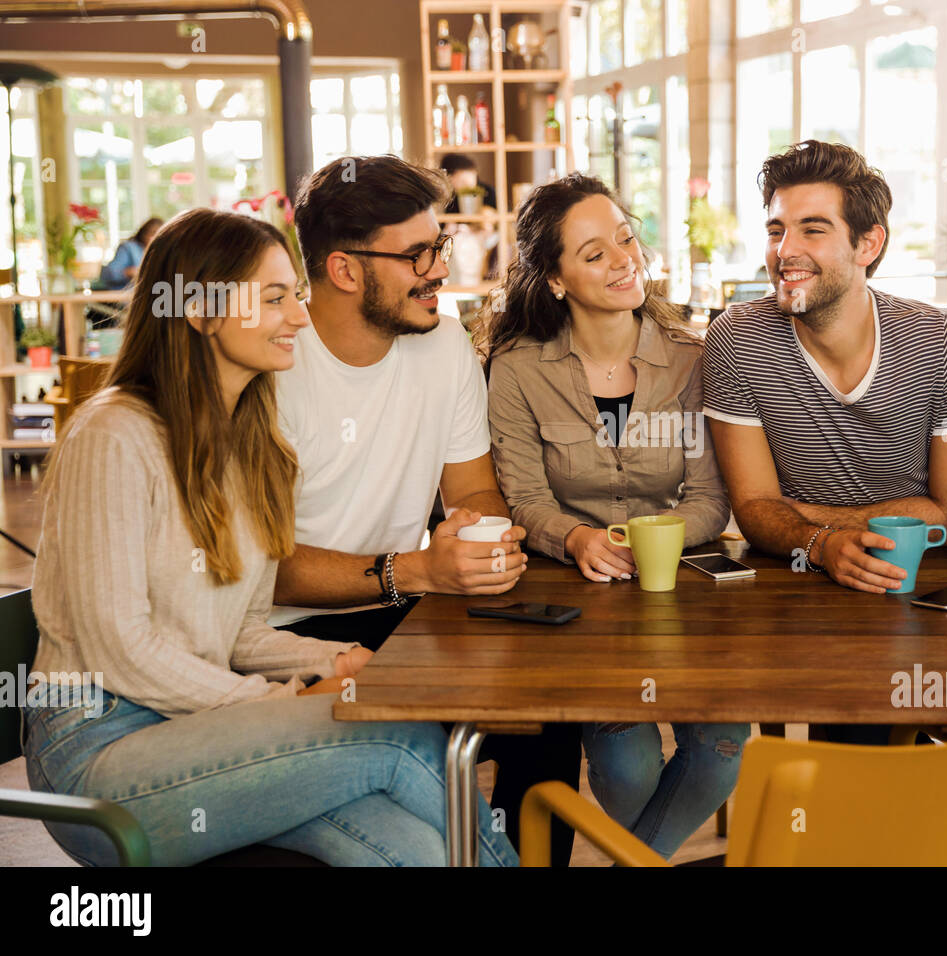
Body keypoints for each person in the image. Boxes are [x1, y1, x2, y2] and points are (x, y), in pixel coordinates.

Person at [20, 208, 516, 866]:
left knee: (415, 851)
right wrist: (285, 701)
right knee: (397, 733)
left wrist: (325, 665)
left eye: (296, 296)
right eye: (275, 298)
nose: (300, 318)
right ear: (197, 310)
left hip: (198, 733)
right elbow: (122, 653)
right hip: (98, 754)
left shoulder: (251, 443)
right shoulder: (115, 435)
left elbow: (242, 631)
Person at [272, 154, 581, 864]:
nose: (440, 268)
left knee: (548, 708)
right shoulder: (276, 364)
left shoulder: (441, 344)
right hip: (279, 634)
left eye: (438, 246)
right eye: (418, 254)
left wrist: (479, 536)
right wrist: (415, 569)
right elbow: (262, 572)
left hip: (400, 604)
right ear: (346, 271)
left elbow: (471, 490)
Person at [482, 172, 744, 859]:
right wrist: (573, 537)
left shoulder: (692, 358)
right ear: (555, 279)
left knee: (720, 752)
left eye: (626, 239)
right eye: (594, 253)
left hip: (683, 595)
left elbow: (713, 500)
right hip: (581, 603)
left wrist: (640, 539)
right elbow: (525, 499)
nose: (623, 259)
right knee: (628, 765)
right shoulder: (516, 368)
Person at [702, 140, 947, 746]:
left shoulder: (943, 343)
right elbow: (753, 512)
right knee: (848, 742)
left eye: (812, 229)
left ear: (868, 244)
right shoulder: (738, 340)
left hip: (927, 584)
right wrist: (822, 546)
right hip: (805, 588)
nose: (785, 252)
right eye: (776, 229)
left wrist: (812, 522)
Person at [98, 217, 161, 290]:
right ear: (143, 233)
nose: (154, 238)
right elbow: (107, 274)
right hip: (123, 295)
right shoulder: (128, 248)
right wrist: (127, 272)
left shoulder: (158, 252)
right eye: (152, 233)